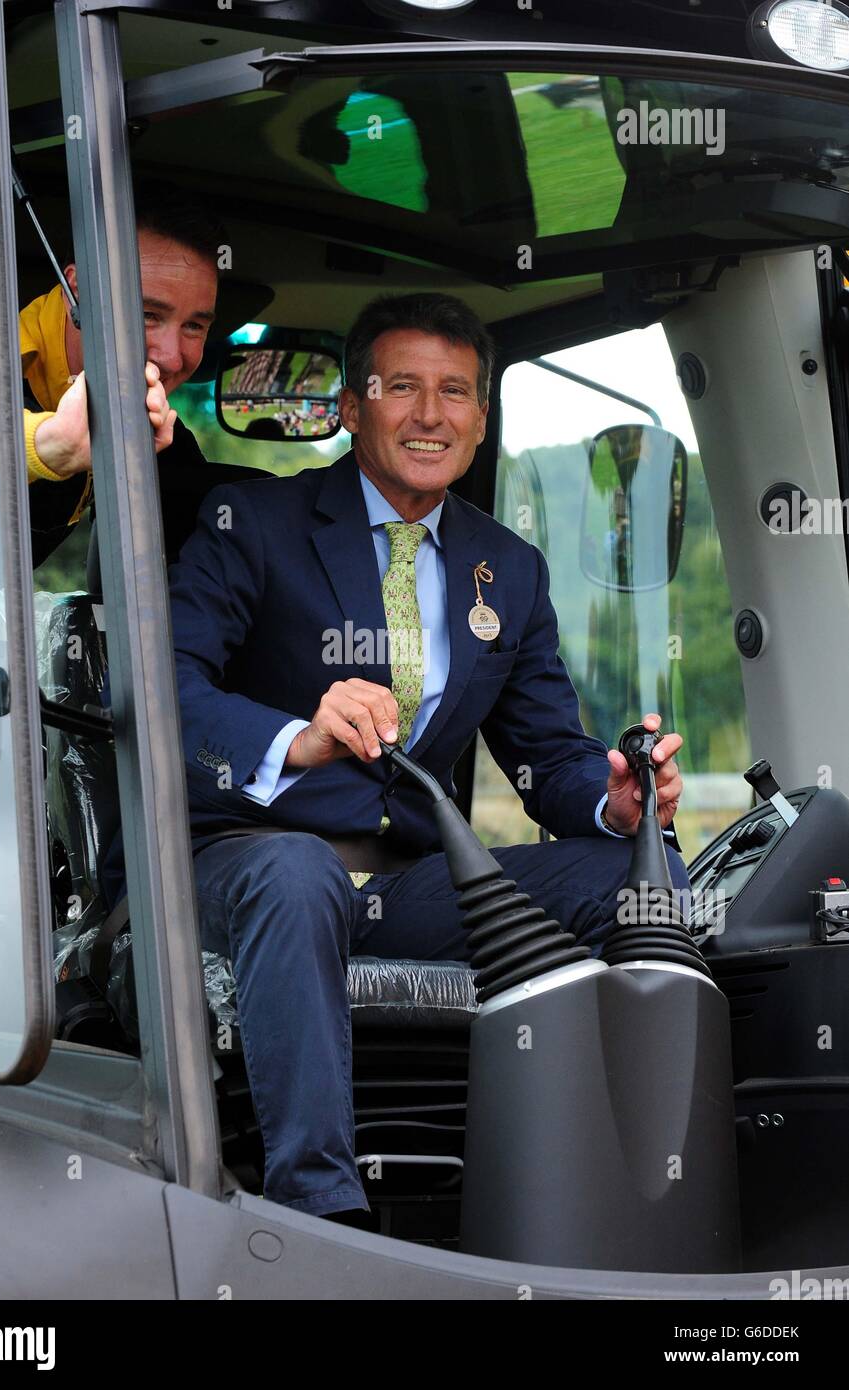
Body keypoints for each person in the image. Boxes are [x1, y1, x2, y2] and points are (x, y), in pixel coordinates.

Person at [168, 291, 689, 1225]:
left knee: (649, 876)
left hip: (405, 889)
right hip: (243, 867)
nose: (430, 415)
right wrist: (297, 738)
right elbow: (168, 689)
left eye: (455, 393)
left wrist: (615, 800)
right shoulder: (247, 523)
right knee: (296, 876)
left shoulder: (507, 567)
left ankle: (608, 1193)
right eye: (401, 386)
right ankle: (324, 1219)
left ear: (480, 419)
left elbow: (545, 755)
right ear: (349, 406)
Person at [12, 184, 257, 568]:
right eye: (146, 315)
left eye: (194, 325)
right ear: (78, 288)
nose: (171, 357)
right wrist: (51, 445)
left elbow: (210, 506)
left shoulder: (150, 428)